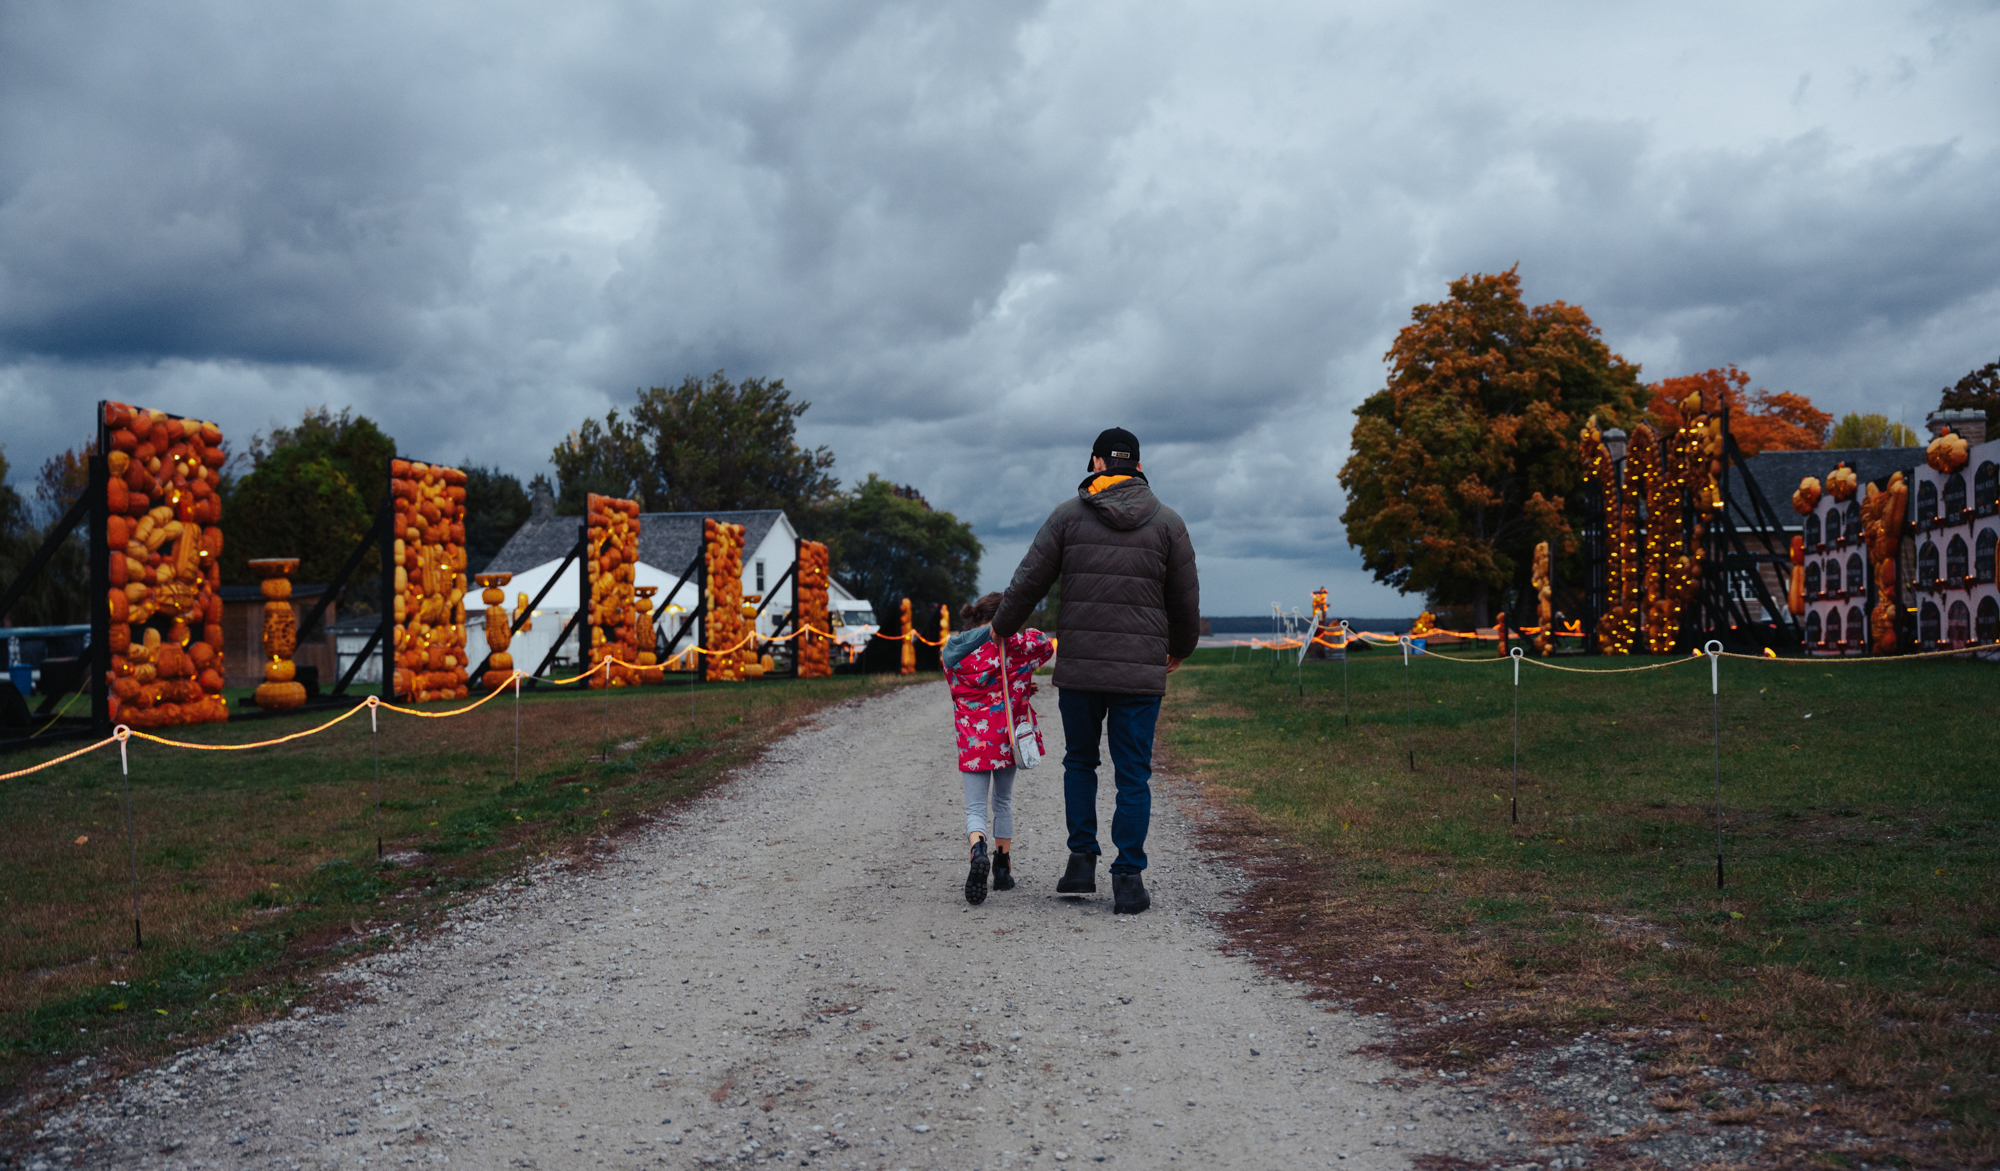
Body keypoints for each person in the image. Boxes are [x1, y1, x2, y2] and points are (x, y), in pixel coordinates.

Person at [989, 427, 1199, 914]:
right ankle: (1128, 879)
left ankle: (1081, 862)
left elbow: (1029, 579)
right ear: (1139, 467)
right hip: (1140, 674)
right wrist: (1181, 646)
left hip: (1081, 669)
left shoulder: (1067, 516)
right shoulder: (1169, 523)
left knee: (1081, 763)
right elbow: (1185, 597)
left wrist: (1000, 627)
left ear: (1097, 463)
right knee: (1133, 775)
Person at [942, 592, 1054, 906]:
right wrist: (1008, 629)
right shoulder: (1016, 646)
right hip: (1007, 740)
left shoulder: (957, 653)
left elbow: (956, 673)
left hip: (973, 742)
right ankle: (1002, 869)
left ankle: (977, 850)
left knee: (975, 808)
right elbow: (1045, 644)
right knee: (1002, 802)